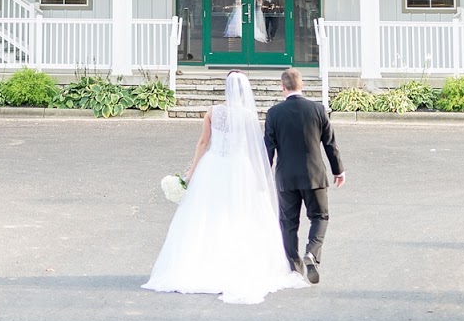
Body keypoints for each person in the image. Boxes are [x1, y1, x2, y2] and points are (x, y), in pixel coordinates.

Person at [143, 71, 307, 304]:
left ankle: (201, 265)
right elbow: (254, 150)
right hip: (240, 169)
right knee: (239, 215)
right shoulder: (248, 117)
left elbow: (203, 143)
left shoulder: (213, 112)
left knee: (206, 216)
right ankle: (241, 265)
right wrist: (260, 178)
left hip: (214, 167)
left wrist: (191, 173)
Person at [263, 66, 345, 284]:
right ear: (302, 85)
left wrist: (263, 174)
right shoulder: (318, 110)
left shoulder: (274, 113)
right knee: (320, 217)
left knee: (288, 223)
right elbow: (330, 143)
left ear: (283, 87)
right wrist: (338, 170)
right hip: (314, 175)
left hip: (286, 178)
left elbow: (268, 149)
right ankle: (312, 253)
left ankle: (295, 268)